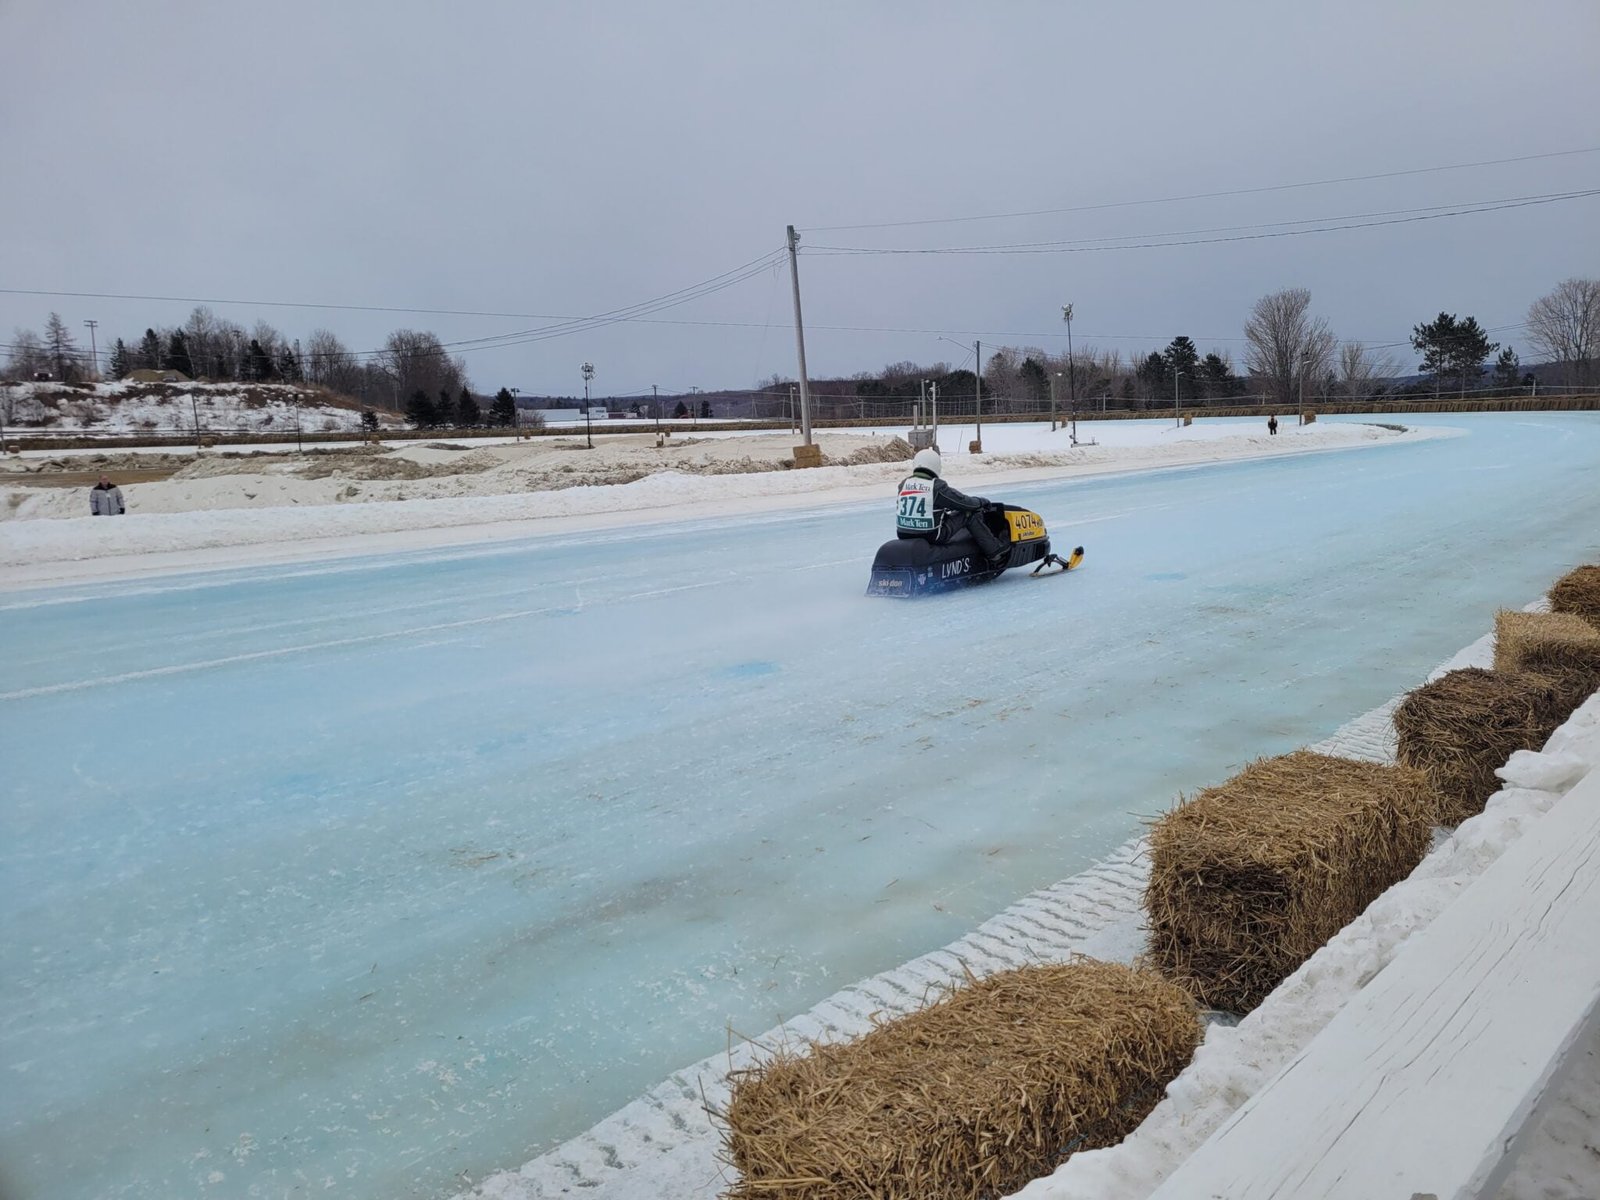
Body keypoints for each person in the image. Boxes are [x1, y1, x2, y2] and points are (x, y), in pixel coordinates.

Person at [895, 448, 1006, 560]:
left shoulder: (903, 484)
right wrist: (981, 502)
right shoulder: (936, 487)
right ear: (935, 466)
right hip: (932, 536)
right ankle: (994, 552)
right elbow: (964, 503)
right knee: (969, 513)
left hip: (903, 534)